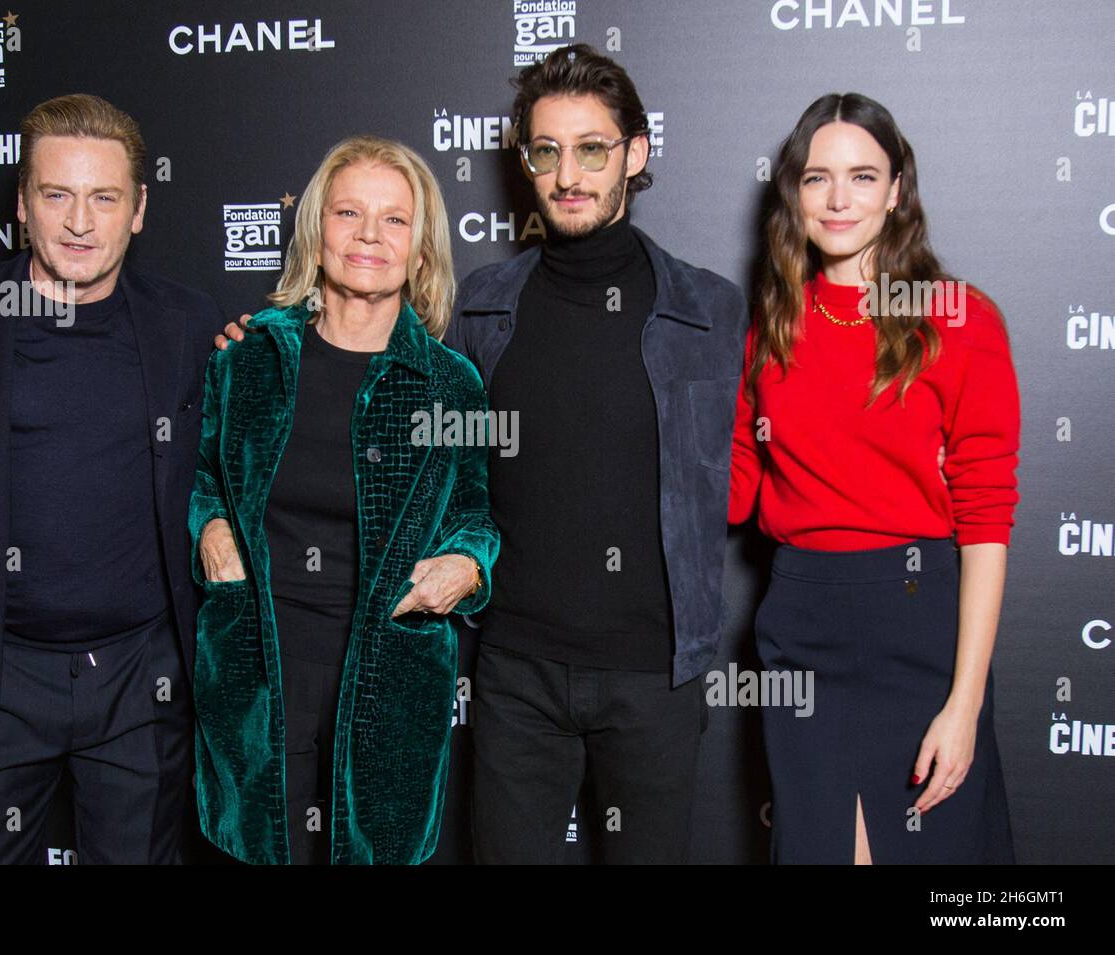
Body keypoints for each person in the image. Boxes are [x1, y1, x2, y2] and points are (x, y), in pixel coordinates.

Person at [0, 93, 225, 863]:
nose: (80, 223)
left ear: (139, 209)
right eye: (56, 195)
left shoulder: (189, 326)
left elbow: (237, 464)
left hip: (141, 679)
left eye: (103, 198)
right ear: (23, 205)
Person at [447, 44, 746, 864]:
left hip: (655, 677)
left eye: (592, 148)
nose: (567, 173)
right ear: (526, 162)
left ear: (636, 155)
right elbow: (429, 455)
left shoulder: (710, 311)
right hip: (514, 675)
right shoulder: (483, 305)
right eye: (546, 151)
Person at [728, 92, 1019, 864]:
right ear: (794, 192)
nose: (838, 198)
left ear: (897, 192)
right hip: (800, 629)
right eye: (817, 177)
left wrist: (965, 701)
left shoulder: (957, 318)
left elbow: (987, 522)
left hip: (917, 621)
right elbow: (729, 489)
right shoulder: (770, 324)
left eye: (863, 176)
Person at [191, 135, 499, 865]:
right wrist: (209, 526)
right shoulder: (250, 358)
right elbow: (204, 474)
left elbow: (476, 516)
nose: (369, 235)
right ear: (316, 230)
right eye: (349, 212)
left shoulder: (452, 382)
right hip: (259, 657)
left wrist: (465, 564)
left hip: (388, 667)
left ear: (420, 247)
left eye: (395, 220)